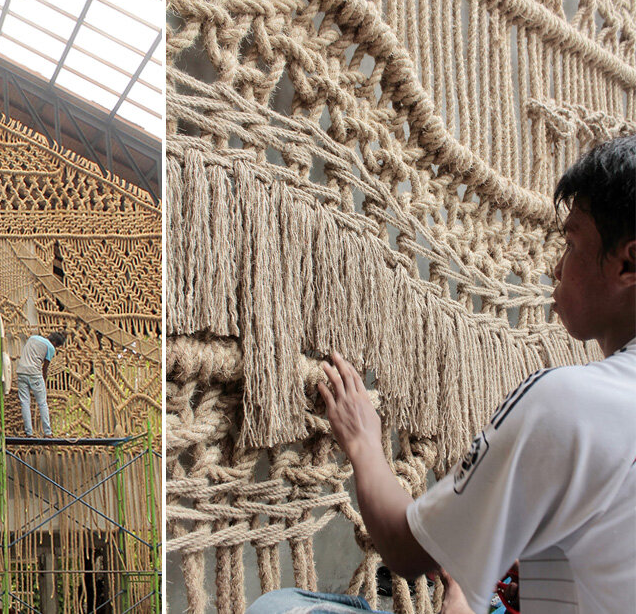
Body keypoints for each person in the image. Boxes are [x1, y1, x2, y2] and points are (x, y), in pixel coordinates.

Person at [248, 136, 636, 614]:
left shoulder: (567, 402)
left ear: (628, 263)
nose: (557, 267)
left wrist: (364, 440)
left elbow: (406, 550)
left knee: (280, 608)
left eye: (573, 243)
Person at [16, 331, 67, 437]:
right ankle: (47, 432)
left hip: (21, 371)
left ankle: (28, 432)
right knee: (42, 403)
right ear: (54, 342)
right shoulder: (50, 347)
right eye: (57, 345)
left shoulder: (32, 337)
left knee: (25, 402)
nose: (55, 347)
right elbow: (45, 368)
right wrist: (44, 380)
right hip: (34, 373)